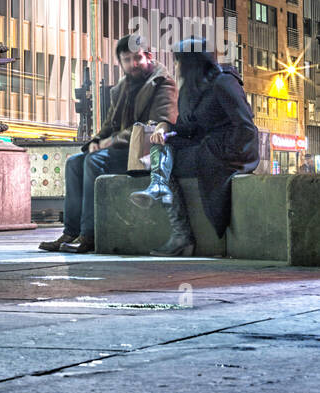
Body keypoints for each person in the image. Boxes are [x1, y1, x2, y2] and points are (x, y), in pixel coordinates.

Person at [40, 35, 178, 253]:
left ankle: (89, 235)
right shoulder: (123, 87)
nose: (132, 64)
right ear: (120, 62)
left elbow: (154, 125)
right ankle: (71, 231)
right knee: (74, 163)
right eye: (126, 60)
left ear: (148, 56)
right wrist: (96, 141)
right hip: (121, 152)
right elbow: (109, 124)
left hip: (144, 153)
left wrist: (109, 142)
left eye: (137, 58)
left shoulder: (163, 83)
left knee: (93, 162)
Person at [130, 37, 260, 256]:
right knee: (159, 151)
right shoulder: (192, 91)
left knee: (165, 163)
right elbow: (185, 128)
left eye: (179, 62)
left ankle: (181, 234)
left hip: (226, 152)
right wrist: (163, 127)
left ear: (191, 63)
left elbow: (245, 126)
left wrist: (227, 155)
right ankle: (170, 212)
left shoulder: (223, 83)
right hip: (205, 147)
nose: (176, 67)